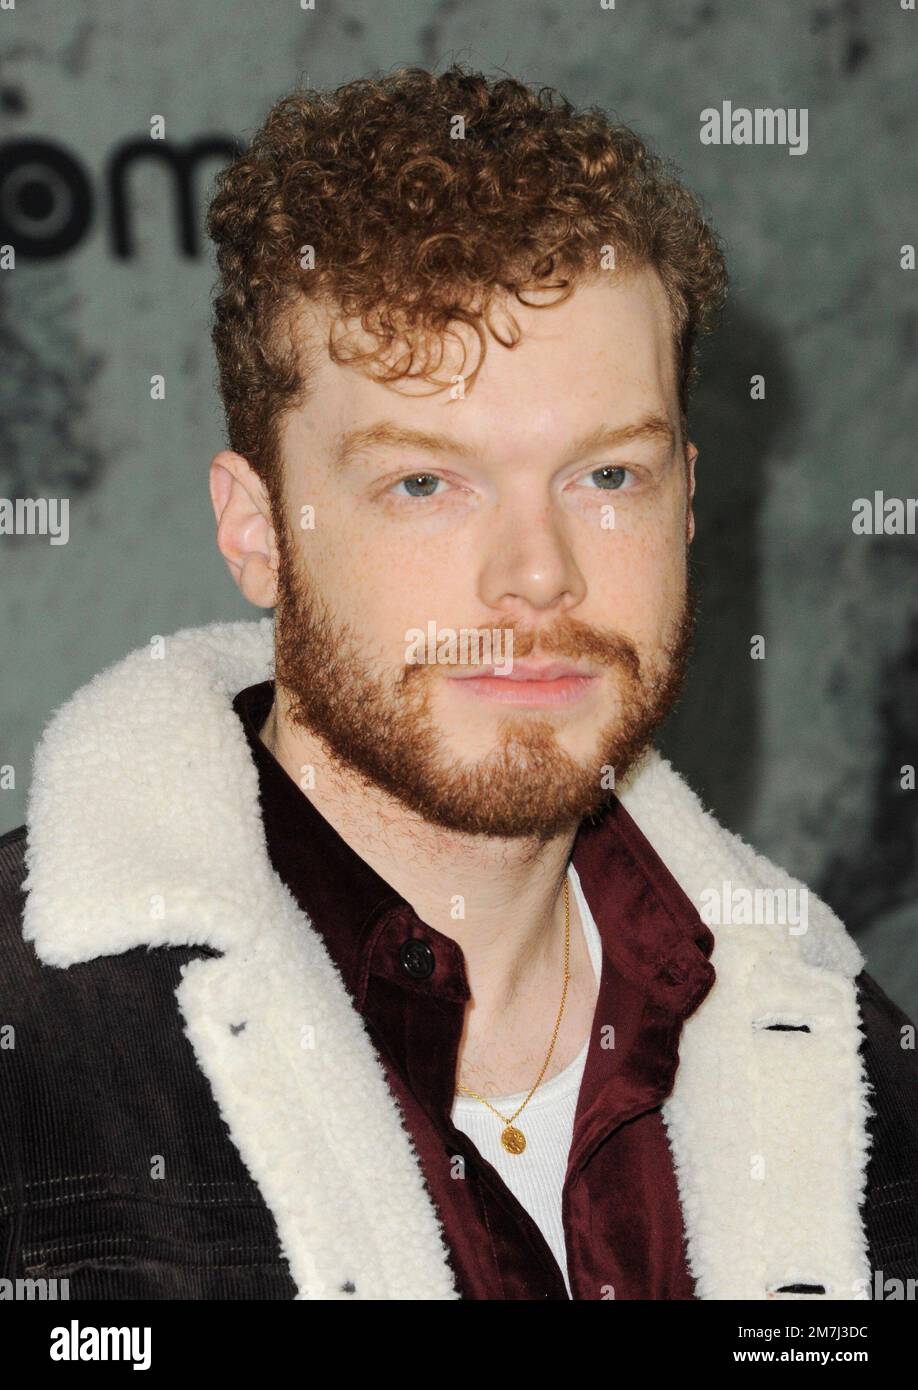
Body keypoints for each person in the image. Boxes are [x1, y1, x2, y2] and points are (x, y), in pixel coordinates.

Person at [1, 64, 916, 1302]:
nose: (538, 578)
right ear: (259, 529)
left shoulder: (847, 1060)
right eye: (425, 484)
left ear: (690, 500)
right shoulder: (34, 1063)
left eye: (608, 478)